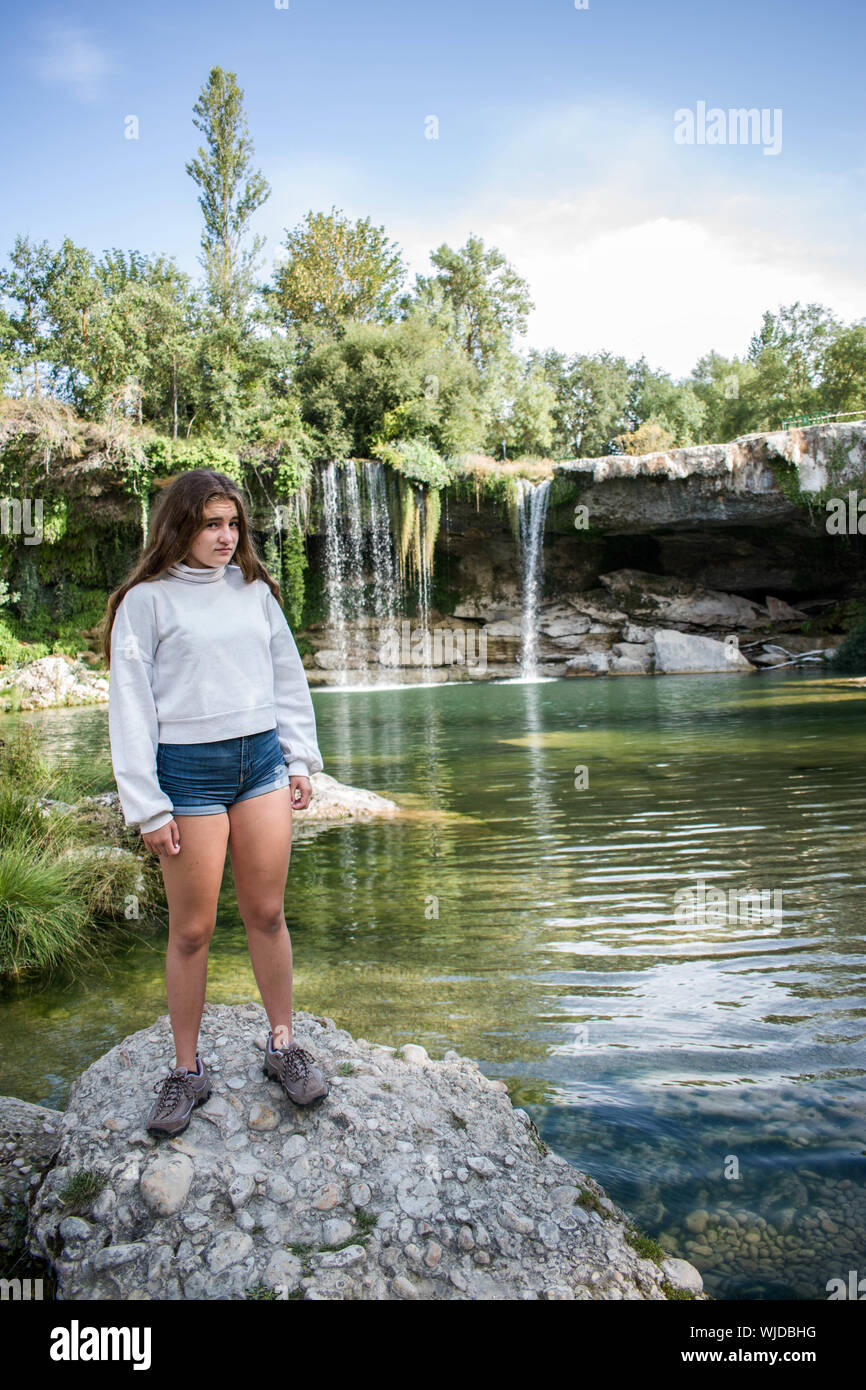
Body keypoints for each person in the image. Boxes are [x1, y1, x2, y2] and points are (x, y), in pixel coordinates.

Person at [101, 468, 329, 1137]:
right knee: (193, 929)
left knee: (265, 912)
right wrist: (146, 804)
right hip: (187, 774)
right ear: (181, 526)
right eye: (211, 525)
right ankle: (186, 1070)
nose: (226, 537)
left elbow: (286, 676)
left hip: (259, 763)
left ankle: (282, 1045)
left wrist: (300, 758)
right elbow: (131, 707)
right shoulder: (145, 602)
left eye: (234, 524)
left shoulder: (253, 591)